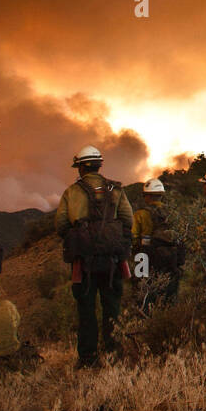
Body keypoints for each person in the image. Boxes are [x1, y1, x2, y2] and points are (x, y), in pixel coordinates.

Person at [55, 145, 132, 369]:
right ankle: (113, 355)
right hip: (113, 262)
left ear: (80, 167)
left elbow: (60, 224)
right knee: (113, 308)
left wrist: (78, 238)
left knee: (86, 311)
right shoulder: (116, 190)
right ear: (99, 165)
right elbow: (128, 221)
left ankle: (88, 359)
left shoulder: (72, 192)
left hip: (83, 262)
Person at [132, 179, 185, 306]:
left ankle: (143, 319)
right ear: (161, 195)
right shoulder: (172, 213)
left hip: (144, 258)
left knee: (143, 293)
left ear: (148, 195)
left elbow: (132, 237)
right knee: (169, 294)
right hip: (169, 258)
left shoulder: (140, 214)